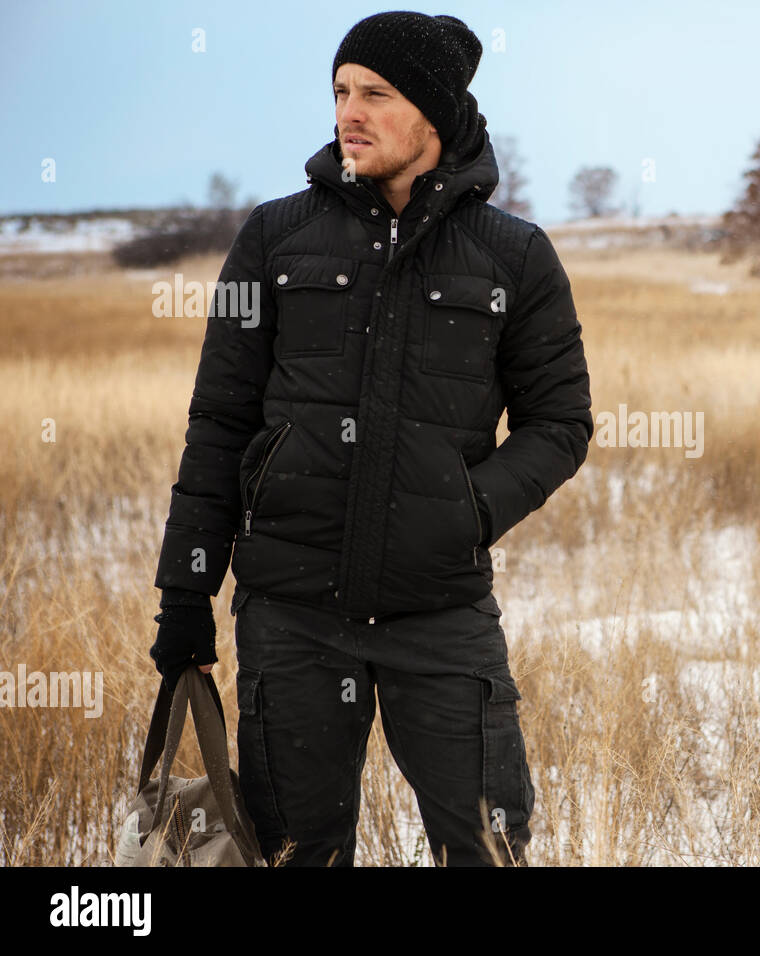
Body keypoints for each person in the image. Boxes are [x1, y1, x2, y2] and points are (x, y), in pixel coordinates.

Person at [148, 11, 593, 867]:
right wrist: (184, 599)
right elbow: (220, 425)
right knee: (292, 851)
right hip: (291, 615)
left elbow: (561, 423)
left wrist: (466, 511)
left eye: (375, 94)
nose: (349, 112)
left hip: (442, 614)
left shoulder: (515, 256)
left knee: (486, 845)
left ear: (433, 112)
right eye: (340, 91)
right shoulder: (273, 239)